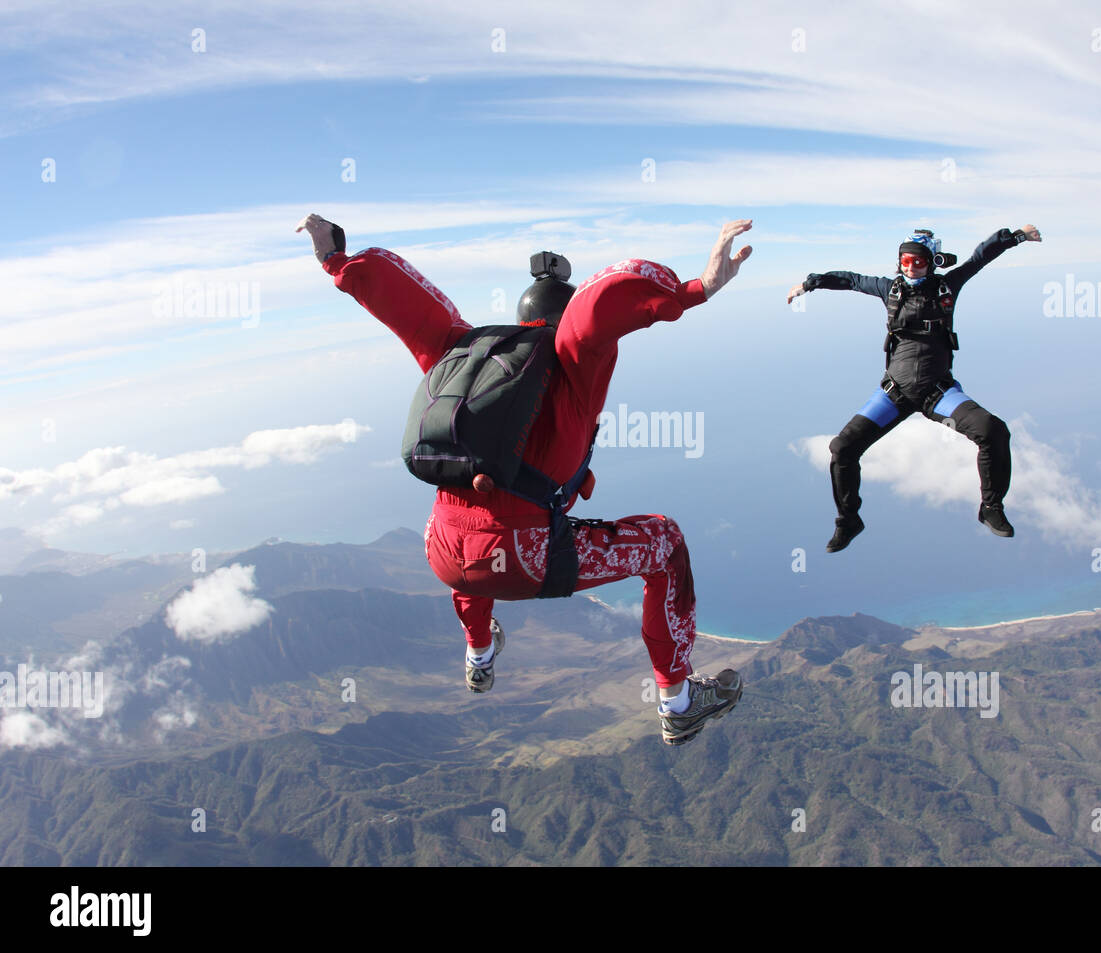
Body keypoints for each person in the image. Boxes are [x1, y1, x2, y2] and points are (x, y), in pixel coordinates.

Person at [297, 214, 753, 745]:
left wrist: (337, 261)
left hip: (444, 552)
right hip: (526, 556)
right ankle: (678, 701)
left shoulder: (459, 353)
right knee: (665, 543)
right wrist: (695, 290)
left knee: (471, 533)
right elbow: (597, 306)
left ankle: (479, 657)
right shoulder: (571, 356)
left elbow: (406, 305)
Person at [787, 225, 1042, 552]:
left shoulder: (946, 286)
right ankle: (849, 520)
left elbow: (980, 257)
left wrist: (1016, 236)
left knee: (994, 431)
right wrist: (810, 284)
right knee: (842, 448)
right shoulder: (888, 289)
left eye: (918, 262)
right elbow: (850, 280)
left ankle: (991, 507)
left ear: (931, 262)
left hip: (938, 394)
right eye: (905, 260)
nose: (910, 267)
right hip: (896, 394)